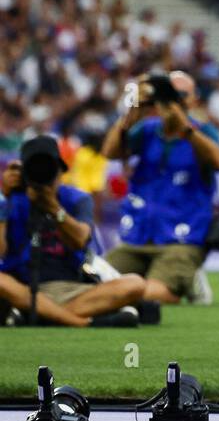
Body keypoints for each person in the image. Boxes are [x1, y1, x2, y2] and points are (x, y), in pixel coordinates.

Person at [102, 70, 219, 304]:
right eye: (169, 95)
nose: (174, 101)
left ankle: (185, 277)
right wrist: (133, 111)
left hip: (180, 239)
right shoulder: (147, 130)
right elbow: (110, 152)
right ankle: (165, 278)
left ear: (194, 99)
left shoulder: (203, 131)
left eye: (181, 95)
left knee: (151, 296)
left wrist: (186, 129)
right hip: (138, 237)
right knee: (95, 284)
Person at [0, 135, 145, 327]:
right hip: (21, 287)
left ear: (60, 171)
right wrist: (3, 200)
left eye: (49, 169)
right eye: (35, 169)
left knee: (135, 284)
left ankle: (33, 316)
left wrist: (54, 208)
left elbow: (81, 240)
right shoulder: (10, 201)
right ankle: (81, 321)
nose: (44, 176)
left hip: (72, 288)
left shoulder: (77, 199)